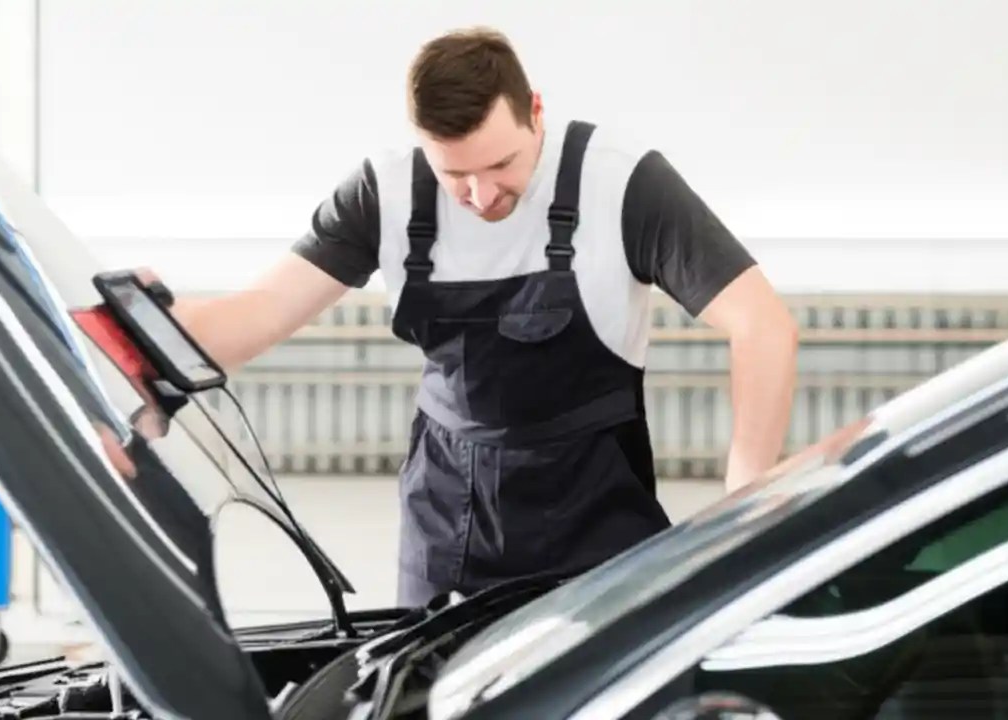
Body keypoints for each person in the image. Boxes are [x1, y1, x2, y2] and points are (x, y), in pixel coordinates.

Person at [161, 27, 799, 606]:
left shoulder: (622, 182)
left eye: (501, 165)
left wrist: (742, 508)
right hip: (443, 527)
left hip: (597, 525)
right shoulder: (382, 193)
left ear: (536, 112)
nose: (481, 196)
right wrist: (139, 325)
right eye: (455, 174)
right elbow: (253, 317)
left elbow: (763, 327)